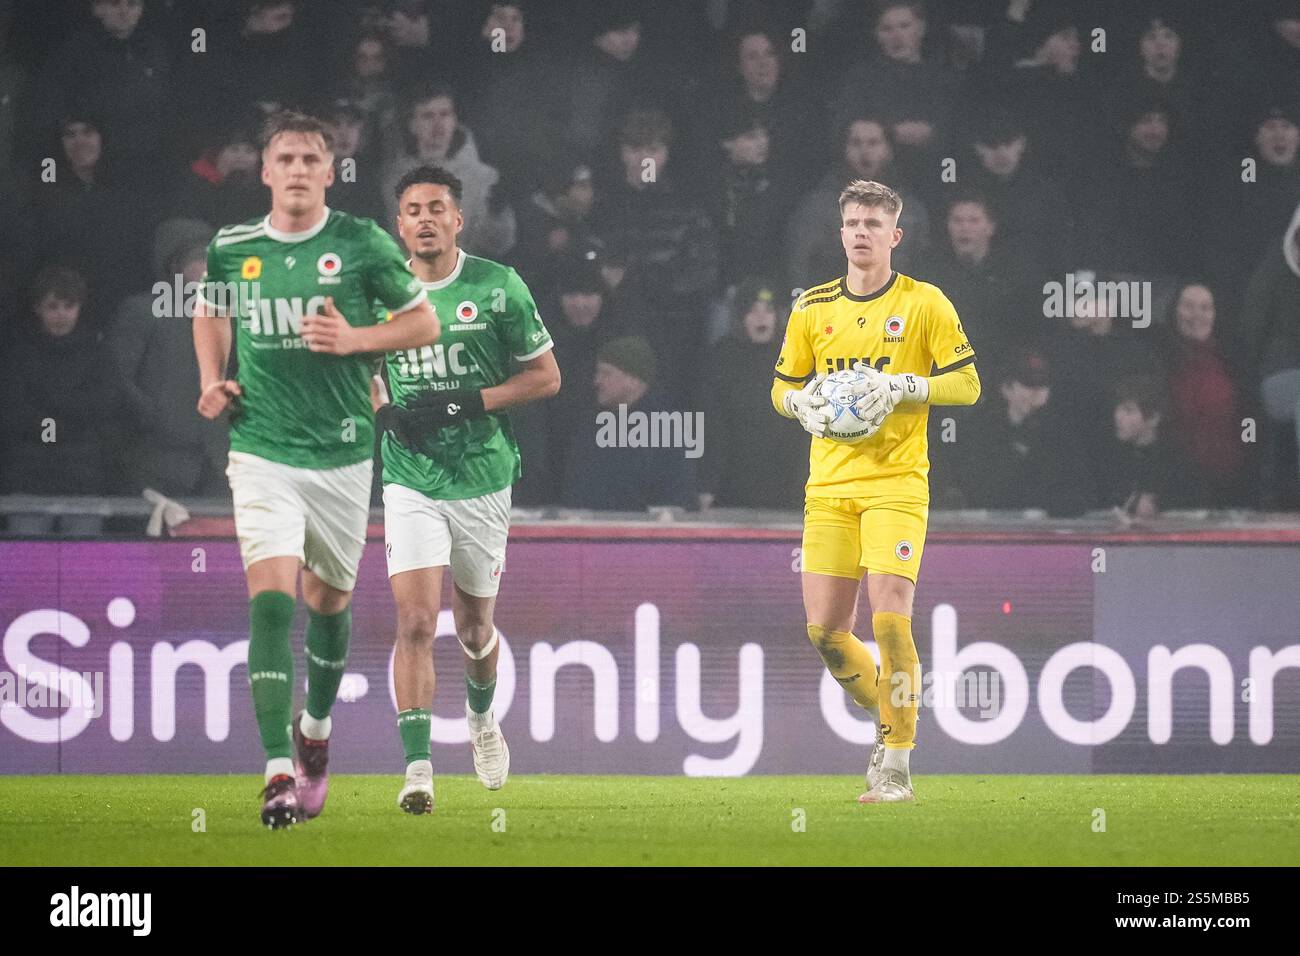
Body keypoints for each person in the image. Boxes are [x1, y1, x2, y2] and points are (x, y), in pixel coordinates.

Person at [192, 110, 439, 829]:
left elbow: (422, 322)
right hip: (262, 447)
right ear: (265, 172)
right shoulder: (233, 246)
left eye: (311, 159)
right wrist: (211, 377)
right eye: (286, 158)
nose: (298, 169)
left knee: (329, 606)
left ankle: (317, 732)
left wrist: (356, 339)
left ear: (330, 173)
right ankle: (275, 770)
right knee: (271, 598)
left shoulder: (359, 243)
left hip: (341, 452)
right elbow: (209, 311)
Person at [771, 179, 980, 804]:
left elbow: (967, 385)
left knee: (890, 616)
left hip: (896, 483)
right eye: (852, 223)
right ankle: (895, 711)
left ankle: (895, 763)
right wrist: (802, 405)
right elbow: (780, 387)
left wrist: (904, 388)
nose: (861, 233)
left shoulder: (925, 304)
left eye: (873, 224)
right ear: (840, 234)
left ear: (895, 236)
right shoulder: (811, 308)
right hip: (829, 488)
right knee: (827, 635)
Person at [369, 165, 560, 813]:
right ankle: (418, 768)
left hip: (481, 475)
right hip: (410, 478)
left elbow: (545, 377)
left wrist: (463, 404)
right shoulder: (378, 293)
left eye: (436, 208)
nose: (424, 218)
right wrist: (383, 410)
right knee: (417, 620)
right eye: (413, 209)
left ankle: (482, 721)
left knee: (476, 629)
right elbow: (362, 370)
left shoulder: (497, 287)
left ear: (458, 220)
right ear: (400, 226)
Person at [1, 265, 123, 535]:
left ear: (80, 307)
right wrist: (66, 419)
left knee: (83, 567)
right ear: (37, 308)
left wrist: (49, 412)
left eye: (69, 306)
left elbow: (104, 405)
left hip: (83, 481)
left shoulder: (99, 353)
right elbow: (12, 412)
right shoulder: (16, 353)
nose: (61, 315)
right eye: (53, 306)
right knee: (28, 566)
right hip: (27, 480)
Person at [699, 279, 807, 509]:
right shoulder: (721, 358)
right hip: (734, 482)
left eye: (768, 311)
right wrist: (707, 486)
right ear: (740, 318)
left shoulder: (797, 357)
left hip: (788, 482)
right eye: (752, 311)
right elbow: (712, 426)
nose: (761, 318)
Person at [561, 335, 696, 510]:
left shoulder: (667, 432)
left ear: (633, 380)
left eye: (606, 373)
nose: (597, 381)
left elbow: (676, 500)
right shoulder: (590, 424)